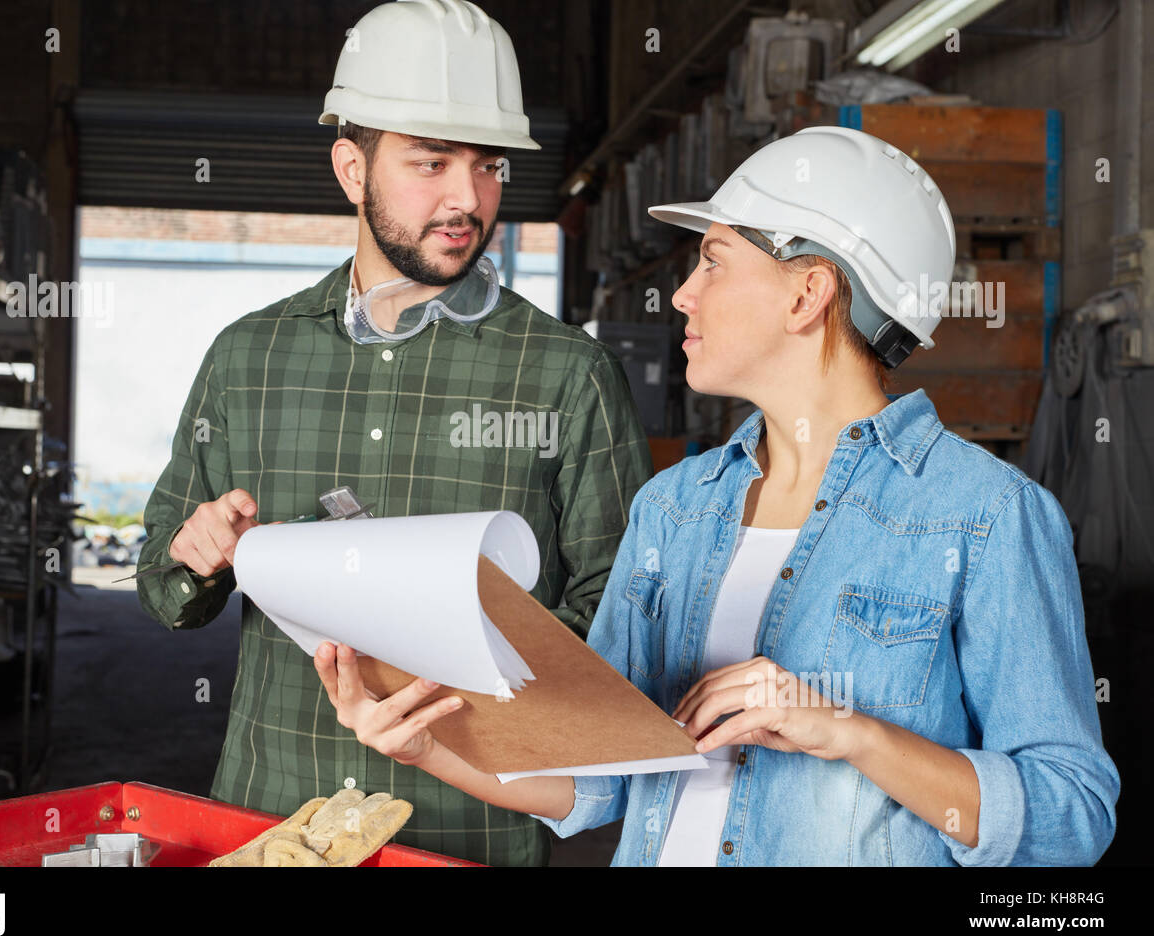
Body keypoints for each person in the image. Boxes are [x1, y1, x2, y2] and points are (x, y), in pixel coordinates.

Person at [313, 125, 1121, 866]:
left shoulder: (985, 516)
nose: (683, 294)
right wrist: (426, 746)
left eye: (714, 261)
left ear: (808, 294)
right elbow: (599, 778)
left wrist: (846, 732)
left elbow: (1072, 814)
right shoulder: (674, 508)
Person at [133, 0, 652, 867]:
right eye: (431, 163)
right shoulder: (249, 357)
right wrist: (196, 556)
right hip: (272, 822)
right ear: (352, 168)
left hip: (468, 833)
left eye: (488, 166)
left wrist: (468, 662)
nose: (467, 198)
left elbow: (623, 612)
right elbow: (160, 582)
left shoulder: (567, 374)